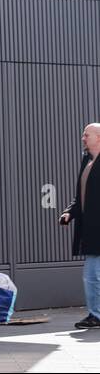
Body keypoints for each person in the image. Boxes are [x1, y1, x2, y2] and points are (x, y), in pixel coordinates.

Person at [59, 123, 100, 329]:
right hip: (91, 231)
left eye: (87, 134)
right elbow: (80, 197)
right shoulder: (87, 161)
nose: (83, 138)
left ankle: (96, 315)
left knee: (93, 275)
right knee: (92, 276)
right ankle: (96, 315)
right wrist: (69, 212)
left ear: (99, 137)